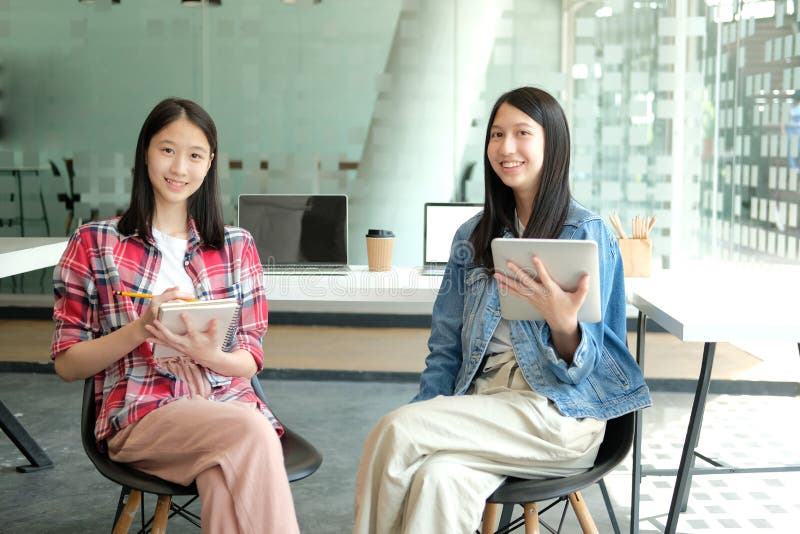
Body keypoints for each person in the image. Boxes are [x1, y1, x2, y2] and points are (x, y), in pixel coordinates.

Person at [352, 87, 652, 534]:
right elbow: (444, 347)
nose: (505, 147)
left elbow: (586, 368)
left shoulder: (586, 233)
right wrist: (430, 412)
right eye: (496, 134)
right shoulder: (472, 236)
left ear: (553, 144)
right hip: (483, 408)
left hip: (559, 414)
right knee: (439, 479)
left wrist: (562, 321)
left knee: (397, 432)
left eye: (521, 133)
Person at [51, 97, 299, 534]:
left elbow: (251, 357)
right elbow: (68, 364)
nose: (179, 168)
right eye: (167, 150)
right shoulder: (95, 243)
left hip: (226, 401)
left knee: (226, 474)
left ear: (209, 164)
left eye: (195, 155)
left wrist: (212, 353)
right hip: (143, 410)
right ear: (145, 150)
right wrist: (140, 329)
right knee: (250, 433)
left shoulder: (237, 245)